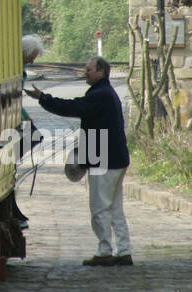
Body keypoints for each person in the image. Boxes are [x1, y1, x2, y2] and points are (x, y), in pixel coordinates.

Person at [25, 56, 132, 266]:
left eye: (89, 69)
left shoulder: (99, 95)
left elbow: (71, 108)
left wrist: (42, 97)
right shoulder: (106, 92)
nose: (86, 72)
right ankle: (124, 250)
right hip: (115, 157)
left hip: (104, 159)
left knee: (100, 206)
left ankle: (104, 251)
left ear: (101, 72)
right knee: (115, 207)